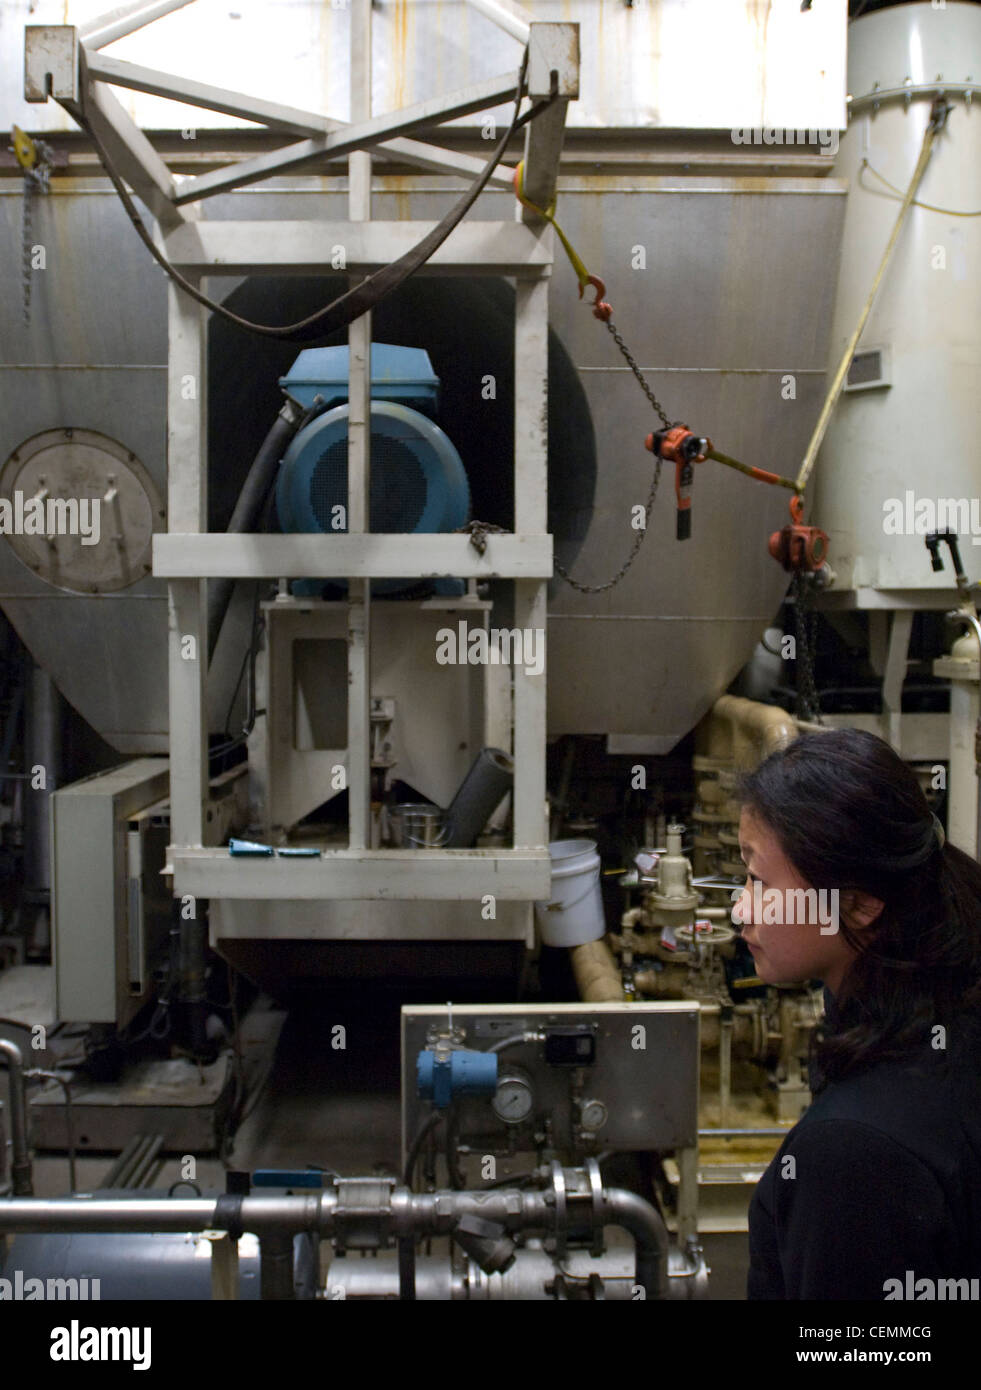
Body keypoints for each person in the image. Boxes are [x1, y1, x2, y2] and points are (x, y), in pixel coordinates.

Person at [733, 727, 981, 1300]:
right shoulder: (951, 1011)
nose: (739, 907)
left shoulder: (851, 1157)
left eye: (761, 881)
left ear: (862, 904)